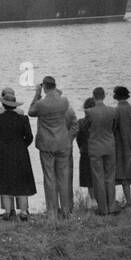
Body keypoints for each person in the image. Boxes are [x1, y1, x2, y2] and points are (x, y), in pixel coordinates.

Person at [28, 76, 78, 222]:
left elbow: (31, 111)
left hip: (47, 143)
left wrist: (37, 93)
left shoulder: (42, 104)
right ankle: (67, 212)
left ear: (44, 86)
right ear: (55, 86)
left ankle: (52, 213)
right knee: (63, 178)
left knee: (49, 178)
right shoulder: (64, 101)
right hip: (62, 142)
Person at [0, 88, 35, 220]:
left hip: (4, 151)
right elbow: (29, 137)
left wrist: (6, 143)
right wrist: (21, 145)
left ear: (3, 105)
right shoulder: (23, 119)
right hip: (20, 151)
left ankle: (7, 212)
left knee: (5, 181)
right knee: (22, 183)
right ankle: (23, 212)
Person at [84, 88, 119, 215]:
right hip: (109, 145)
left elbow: (86, 127)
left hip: (95, 147)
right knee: (110, 176)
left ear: (93, 96)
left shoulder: (89, 112)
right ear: (104, 96)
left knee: (98, 177)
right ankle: (112, 207)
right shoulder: (112, 111)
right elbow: (114, 127)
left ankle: (102, 208)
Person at [113, 86, 131, 207]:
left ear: (116, 97)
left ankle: (129, 202)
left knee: (124, 177)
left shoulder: (115, 111)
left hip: (120, 147)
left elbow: (113, 129)